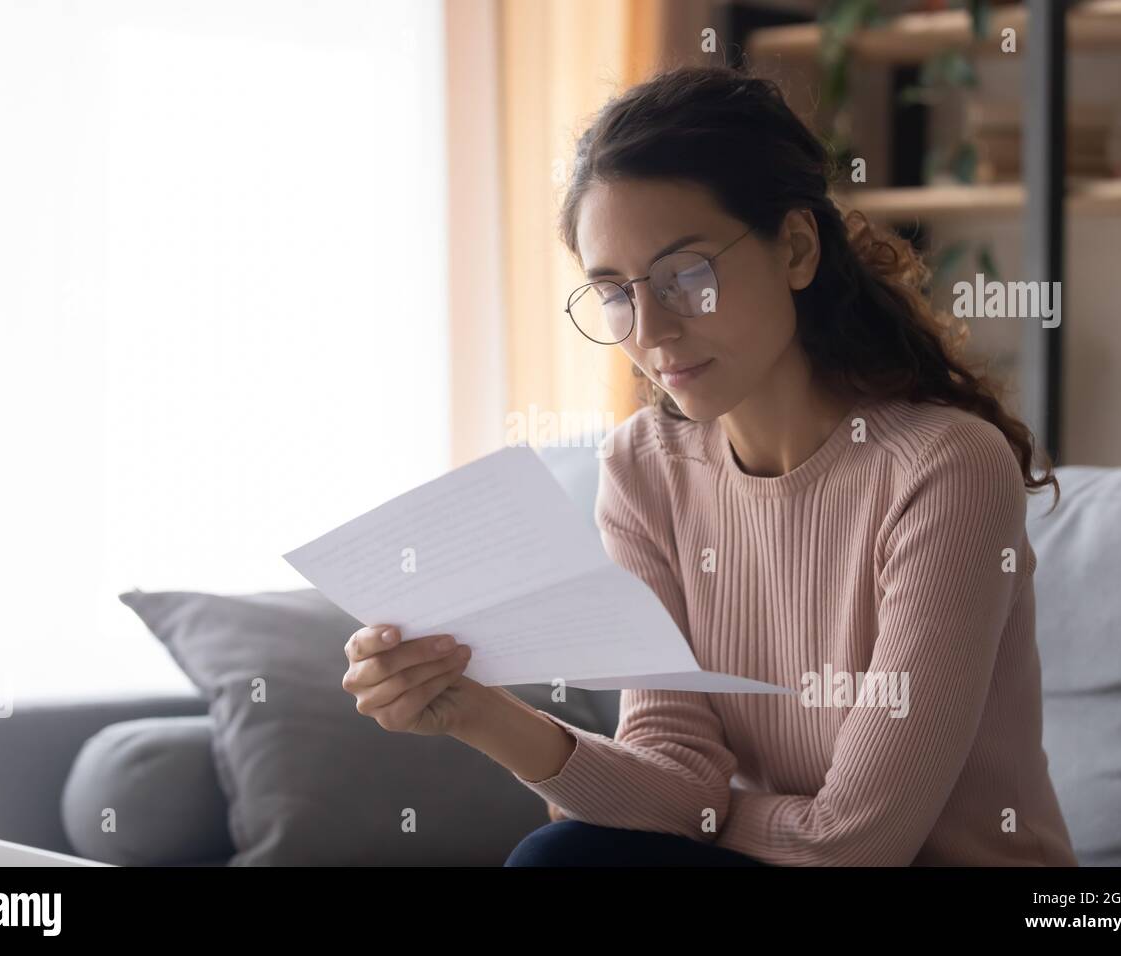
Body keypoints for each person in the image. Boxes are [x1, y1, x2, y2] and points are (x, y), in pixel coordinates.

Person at [339, 64, 1079, 867]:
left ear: (795, 248)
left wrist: (704, 816)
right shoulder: (644, 470)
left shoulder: (942, 469)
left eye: (686, 274)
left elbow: (859, 844)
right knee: (568, 855)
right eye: (615, 292)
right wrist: (477, 714)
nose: (650, 328)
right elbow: (673, 773)